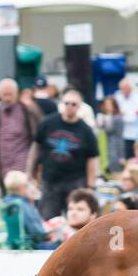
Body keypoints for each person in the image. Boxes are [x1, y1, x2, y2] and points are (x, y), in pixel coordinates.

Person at [31, 89, 99, 219]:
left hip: (75, 181)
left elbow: (92, 158)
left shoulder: (86, 130)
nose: (70, 107)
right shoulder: (47, 123)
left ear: (79, 107)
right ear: (62, 104)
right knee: (48, 219)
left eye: (74, 104)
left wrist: (90, 186)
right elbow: (35, 148)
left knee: (76, 219)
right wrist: (31, 173)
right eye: (67, 103)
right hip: (50, 180)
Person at [0, 78, 40, 190]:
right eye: (4, 95)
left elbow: (37, 136)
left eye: (10, 94)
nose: (7, 98)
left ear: (17, 94)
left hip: (23, 166)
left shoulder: (27, 110)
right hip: (3, 167)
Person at [1, 169, 55, 249]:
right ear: (21, 188)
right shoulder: (23, 205)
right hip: (31, 246)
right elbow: (37, 233)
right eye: (26, 185)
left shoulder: (4, 203)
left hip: (10, 245)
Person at [116, 77, 138, 160]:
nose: (123, 90)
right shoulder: (118, 97)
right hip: (122, 132)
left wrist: (123, 115)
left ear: (130, 88)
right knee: (125, 156)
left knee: (135, 154)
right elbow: (116, 113)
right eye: (122, 89)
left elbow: (137, 116)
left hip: (136, 132)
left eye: (125, 88)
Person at [97, 96, 126, 174]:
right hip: (103, 151)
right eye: (106, 104)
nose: (107, 106)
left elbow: (119, 138)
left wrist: (121, 156)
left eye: (110, 104)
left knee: (115, 174)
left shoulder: (118, 118)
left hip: (113, 152)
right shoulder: (101, 117)